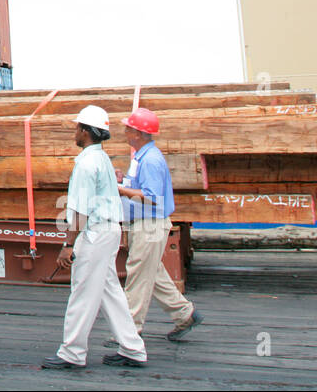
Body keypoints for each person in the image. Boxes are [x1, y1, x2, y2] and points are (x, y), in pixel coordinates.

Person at [41, 106, 147, 370]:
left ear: (86, 132)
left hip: (96, 232)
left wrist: (68, 245)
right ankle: (133, 349)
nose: (75, 132)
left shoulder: (87, 164)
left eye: (78, 127)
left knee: (83, 291)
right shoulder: (102, 160)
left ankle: (72, 352)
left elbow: (79, 209)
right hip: (110, 230)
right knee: (110, 291)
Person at [113, 108, 203, 342]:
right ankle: (185, 315)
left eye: (128, 127)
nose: (124, 130)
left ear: (137, 133)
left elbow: (152, 196)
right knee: (153, 275)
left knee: (137, 276)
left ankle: (129, 331)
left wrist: (120, 189)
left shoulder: (150, 160)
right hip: (146, 224)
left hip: (149, 225)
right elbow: (143, 187)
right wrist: (125, 181)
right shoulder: (143, 156)